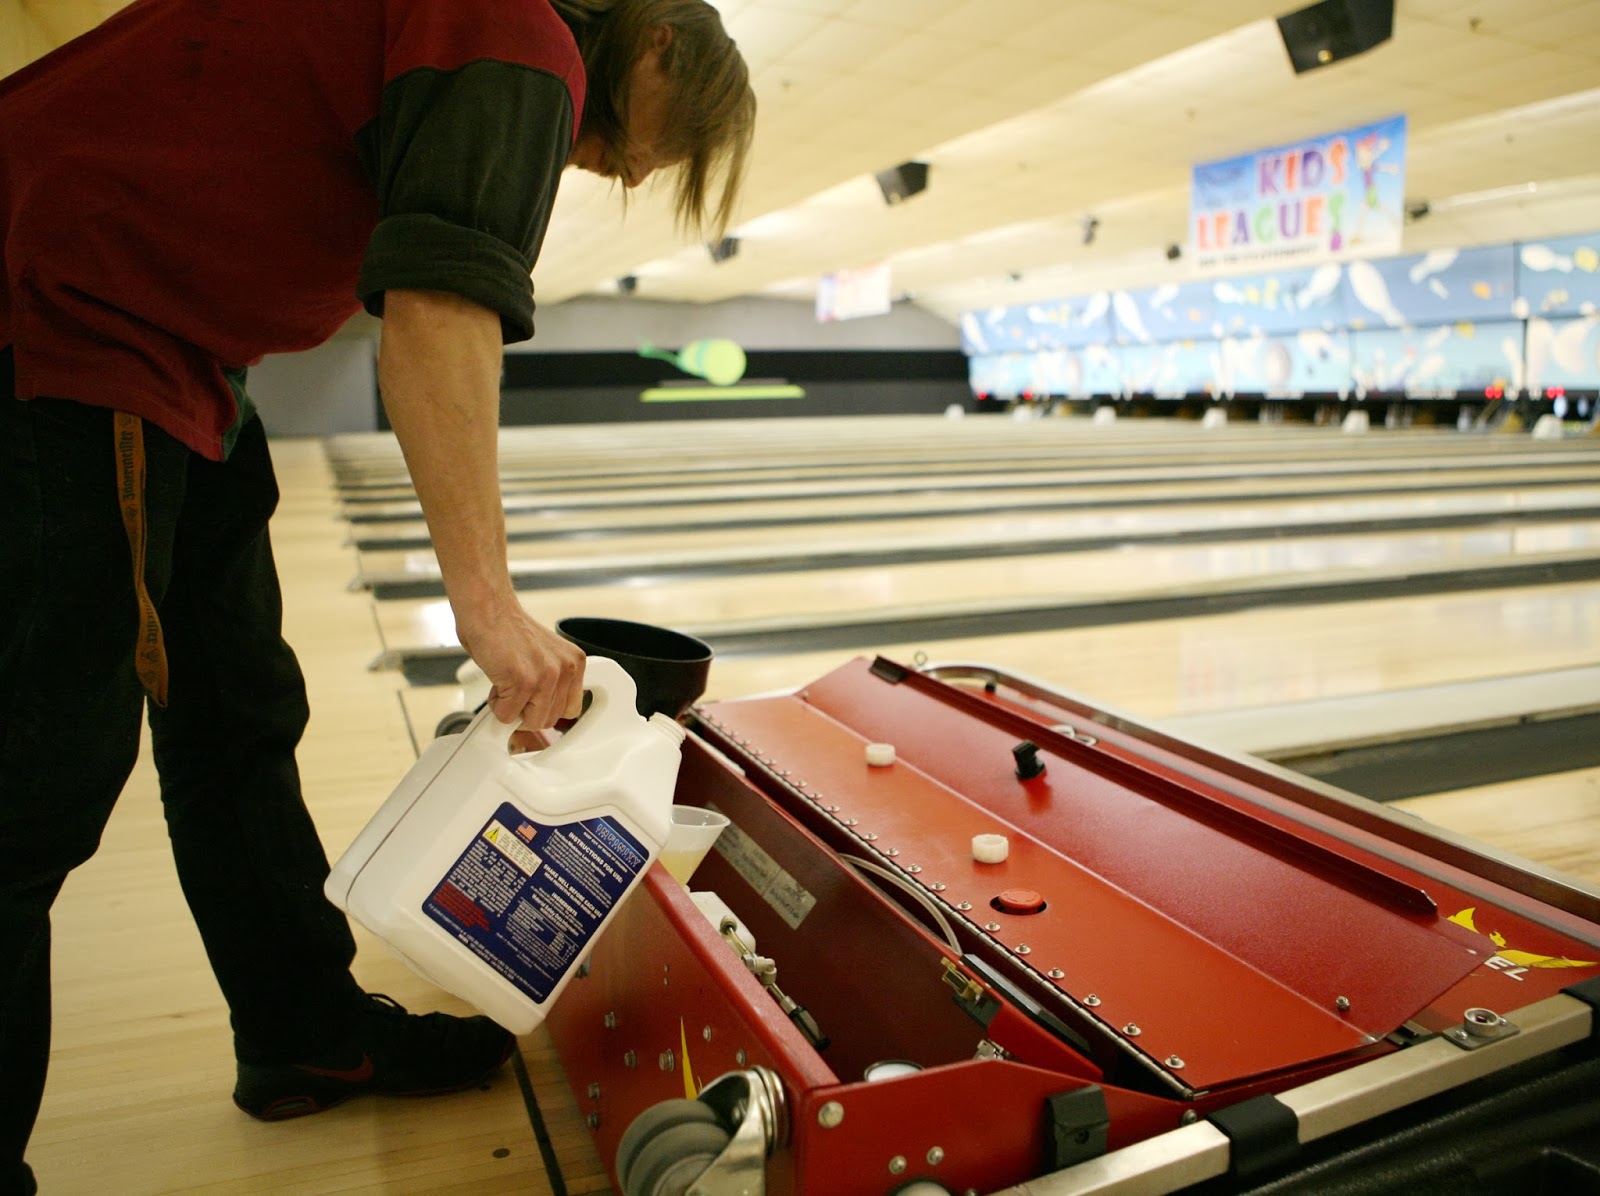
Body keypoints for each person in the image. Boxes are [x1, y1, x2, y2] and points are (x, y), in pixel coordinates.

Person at [0, 0, 755, 1191]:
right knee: (35, 779)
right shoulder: (519, 31)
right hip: (70, 321)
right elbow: (439, 312)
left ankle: (302, 1030)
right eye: (679, 135)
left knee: (236, 714)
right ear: (658, 40)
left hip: (174, 353)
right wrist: (487, 602)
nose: (641, 169)